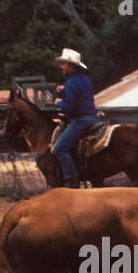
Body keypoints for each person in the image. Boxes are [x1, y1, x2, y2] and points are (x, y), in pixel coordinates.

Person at [53, 48, 97, 186]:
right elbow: (81, 95)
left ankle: (72, 178)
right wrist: (65, 90)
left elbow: (70, 106)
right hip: (92, 118)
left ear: (71, 66)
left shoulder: (71, 82)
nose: (61, 66)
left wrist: (58, 102)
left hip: (80, 120)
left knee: (59, 148)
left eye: (64, 64)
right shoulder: (84, 79)